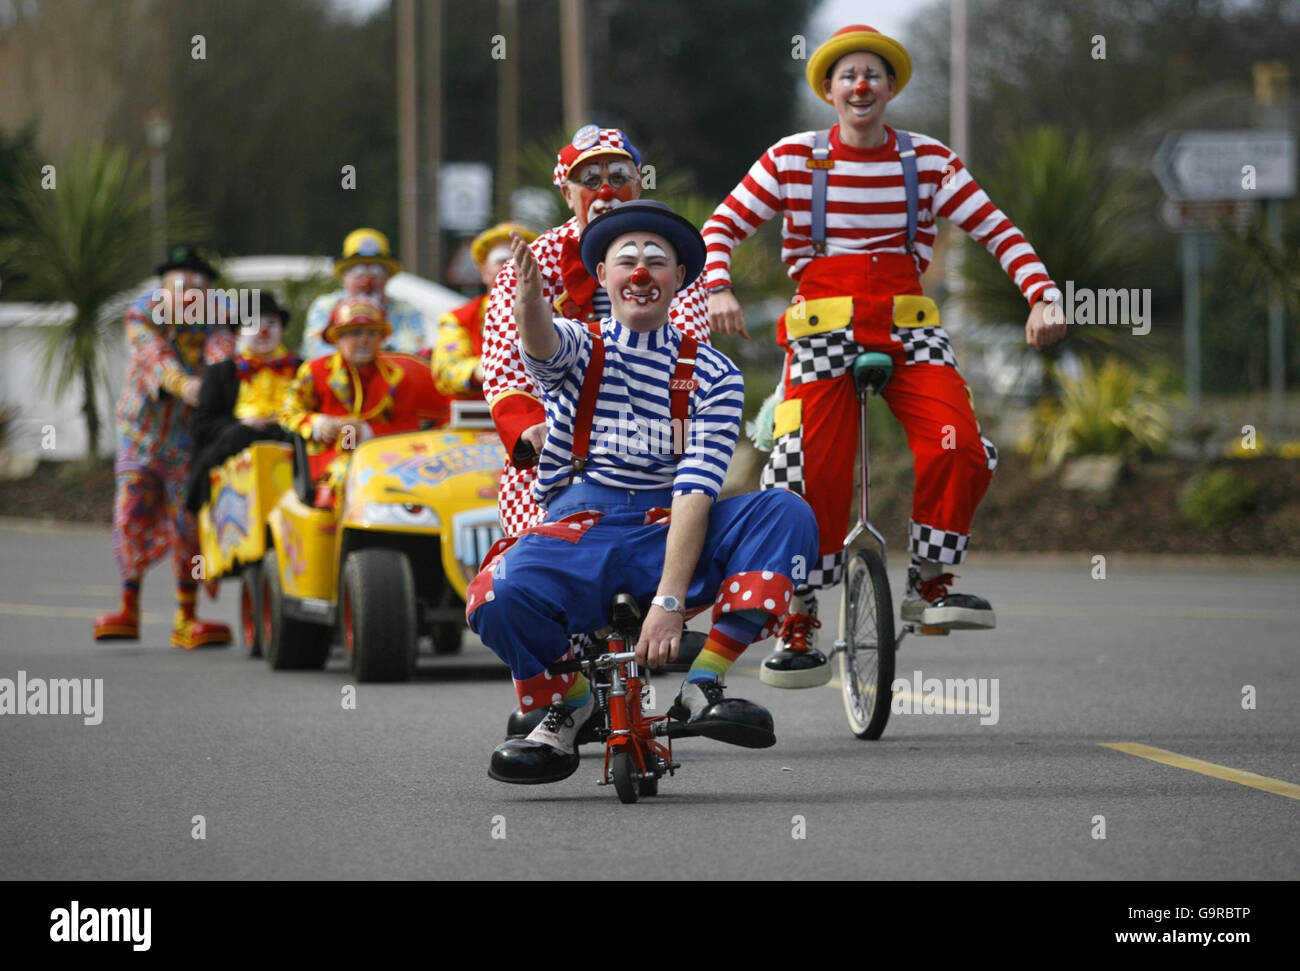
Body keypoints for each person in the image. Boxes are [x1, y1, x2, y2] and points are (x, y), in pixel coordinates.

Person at [702, 25, 1067, 688]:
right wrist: (718, 286)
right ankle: (800, 613)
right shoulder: (792, 158)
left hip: (907, 325)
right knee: (806, 468)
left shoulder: (926, 160)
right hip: (820, 328)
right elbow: (719, 228)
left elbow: (995, 226)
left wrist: (1041, 295)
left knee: (957, 442)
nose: (861, 85)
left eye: (873, 74)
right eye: (848, 75)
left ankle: (930, 581)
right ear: (830, 90)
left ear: (891, 87)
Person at [467, 201, 818, 785]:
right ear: (601, 277)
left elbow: (695, 489)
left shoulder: (713, 374)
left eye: (657, 261)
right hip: (580, 528)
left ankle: (703, 685)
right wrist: (529, 300)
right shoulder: (581, 348)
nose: (640, 271)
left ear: (679, 280)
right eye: (624, 260)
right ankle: (569, 702)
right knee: (493, 594)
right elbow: (542, 344)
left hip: (669, 526)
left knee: (785, 510)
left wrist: (670, 602)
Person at [480, 125, 711, 539]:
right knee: (535, 558)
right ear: (567, 194)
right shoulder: (534, 262)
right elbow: (505, 362)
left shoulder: (675, 255)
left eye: (619, 178)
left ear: (639, 184)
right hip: (560, 447)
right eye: (590, 182)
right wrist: (530, 426)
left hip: (653, 442)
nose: (606, 192)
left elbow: (690, 347)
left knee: (692, 540)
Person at [93, 244, 238, 649]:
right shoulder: (142, 313)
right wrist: (185, 385)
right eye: (179, 285)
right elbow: (152, 357)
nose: (189, 293)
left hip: (189, 442)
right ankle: (128, 606)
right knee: (130, 512)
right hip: (142, 437)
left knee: (188, 525)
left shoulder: (222, 316)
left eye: (197, 285)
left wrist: (214, 379)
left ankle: (185, 617)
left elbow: (222, 353)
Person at [282, 296, 443, 509]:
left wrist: (366, 431)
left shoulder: (397, 376)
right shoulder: (314, 371)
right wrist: (318, 424)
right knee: (347, 475)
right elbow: (288, 413)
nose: (364, 340)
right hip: (330, 460)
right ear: (337, 338)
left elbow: (407, 427)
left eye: (372, 333)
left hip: (387, 457)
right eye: (355, 333)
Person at [184, 291, 298, 513]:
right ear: (238, 333)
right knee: (239, 437)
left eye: (271, 323)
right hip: (239, 447)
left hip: (289, 441)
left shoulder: (302, 368)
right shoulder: (220, 373)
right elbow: (201, 425)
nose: (264, 330)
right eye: (253, 323)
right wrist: (243, 425)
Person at [432, 222, 537, 400]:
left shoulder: (553, 309)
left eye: (520, 258)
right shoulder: (460, 318)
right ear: (484, 271)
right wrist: (487, 368)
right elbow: (445, 371)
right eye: (502, 260)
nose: (512, 266)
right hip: (478, 419)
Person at [299, 228, 427, 359]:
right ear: (344, 278)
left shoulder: (406, 311)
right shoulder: (326, 307)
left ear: (387, 277)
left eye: (375, 274)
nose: (366, 283)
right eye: (358, 274)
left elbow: (414, 354)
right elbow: (317, 352)